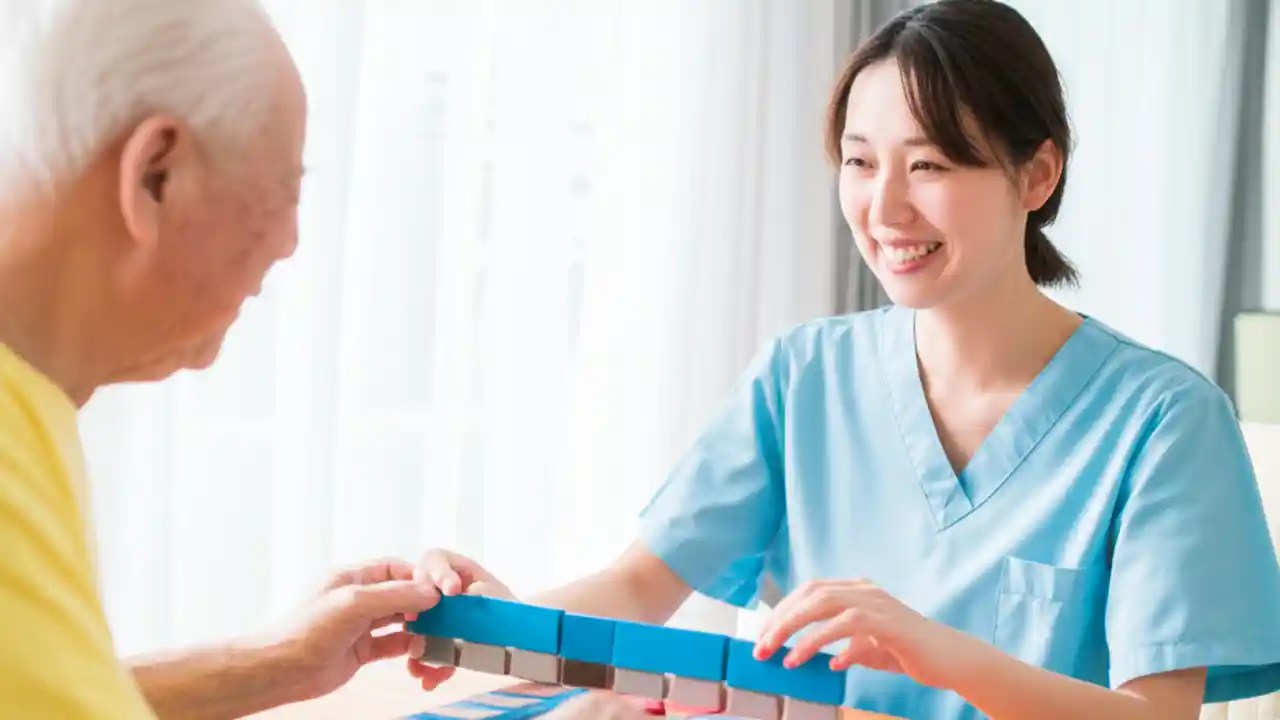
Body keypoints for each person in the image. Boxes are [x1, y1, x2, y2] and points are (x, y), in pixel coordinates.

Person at [415, 1, 1280, 719]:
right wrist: (489, 621)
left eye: (929, 164)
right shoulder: (803, 377)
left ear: (1036, 175)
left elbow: (1156, 715)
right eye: (860, 162)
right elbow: (640, 586)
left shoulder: (1164, 422)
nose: (885, 207)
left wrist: (936, 651)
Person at [0, 2, 633, 718]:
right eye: (285, 189)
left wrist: (274, 664)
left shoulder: (31, 410)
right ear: (156, 175)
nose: (290, 243)